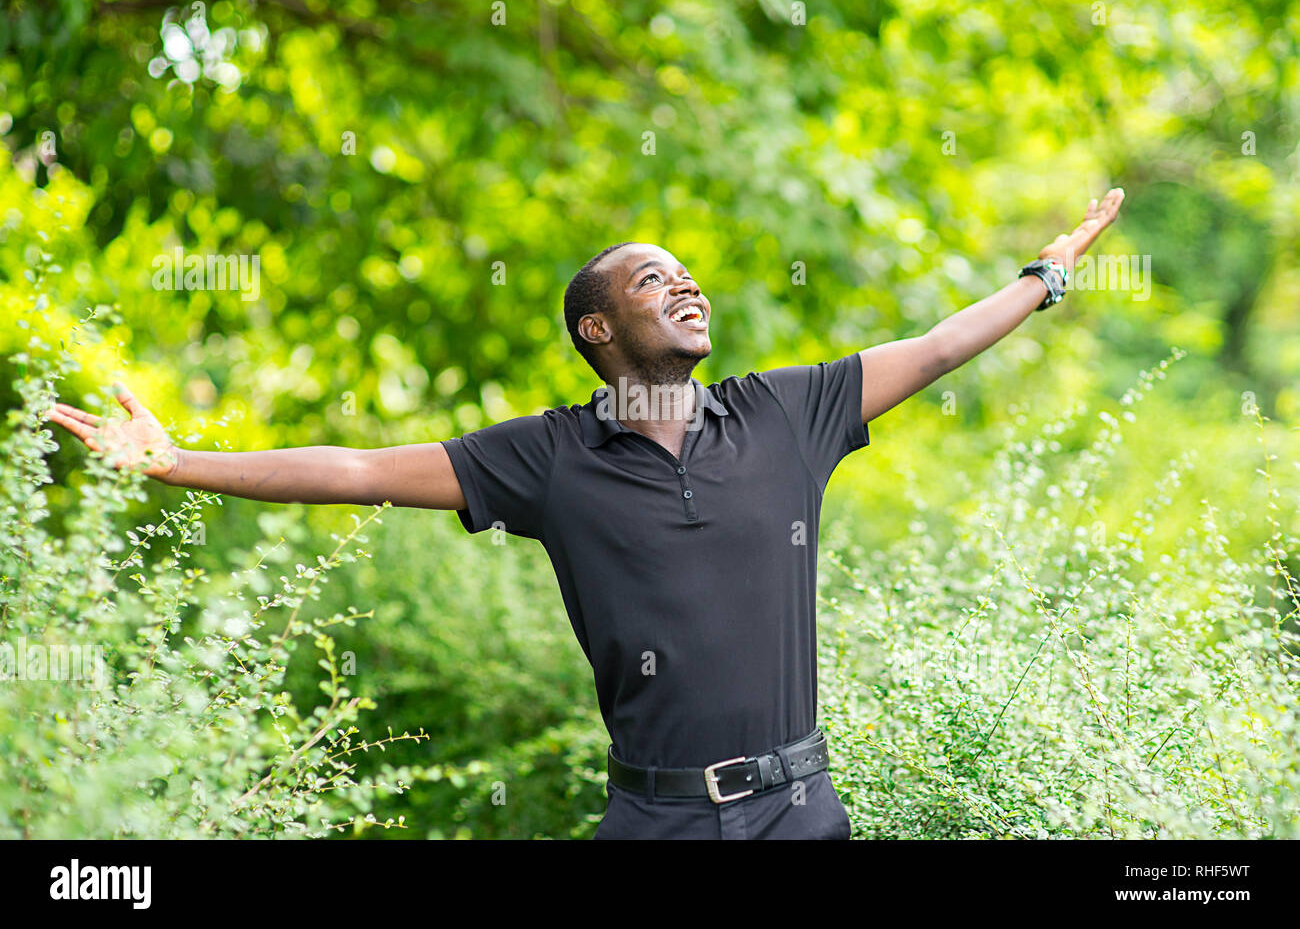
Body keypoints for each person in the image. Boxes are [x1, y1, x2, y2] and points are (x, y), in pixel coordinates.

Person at [49, 188, 1125, 839]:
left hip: (801, 811)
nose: (687, 288)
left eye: (691, 277)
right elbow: (358, 464)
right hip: (654, 817)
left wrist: (1046, 275)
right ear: (598, 328)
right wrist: (178, 461)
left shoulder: (789, 411)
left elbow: (936, 346)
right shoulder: (548, 459)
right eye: (657, 282)